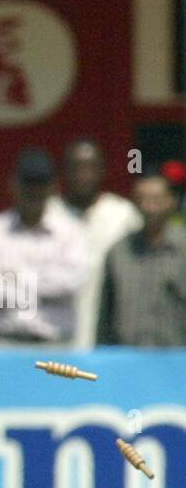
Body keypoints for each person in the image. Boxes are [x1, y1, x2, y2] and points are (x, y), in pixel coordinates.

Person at [0, 148, 88, 344]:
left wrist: (13, 281)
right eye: (28, 183)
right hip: (4, 343)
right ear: (14, 185)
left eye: (41, 183)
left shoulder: (71, 231)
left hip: (56, 345)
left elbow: (71, 283)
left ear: (53, 187)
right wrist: (42, 287)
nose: (34, 190)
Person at [56, 139, 141, 349]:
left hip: (111, 335)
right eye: (76, 167)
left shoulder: (123, 214)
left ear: (102, 171)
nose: (83, 175)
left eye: (90, 167)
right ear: (64, 172)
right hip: (56, 340)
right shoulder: (48, 214)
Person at [96, 170, 186, 346]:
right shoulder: (119, 251)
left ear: (171, 202)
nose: (149, 207)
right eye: (142, 200)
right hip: (127, 359)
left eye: (156, 200)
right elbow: (105, 314)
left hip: (176, 361)